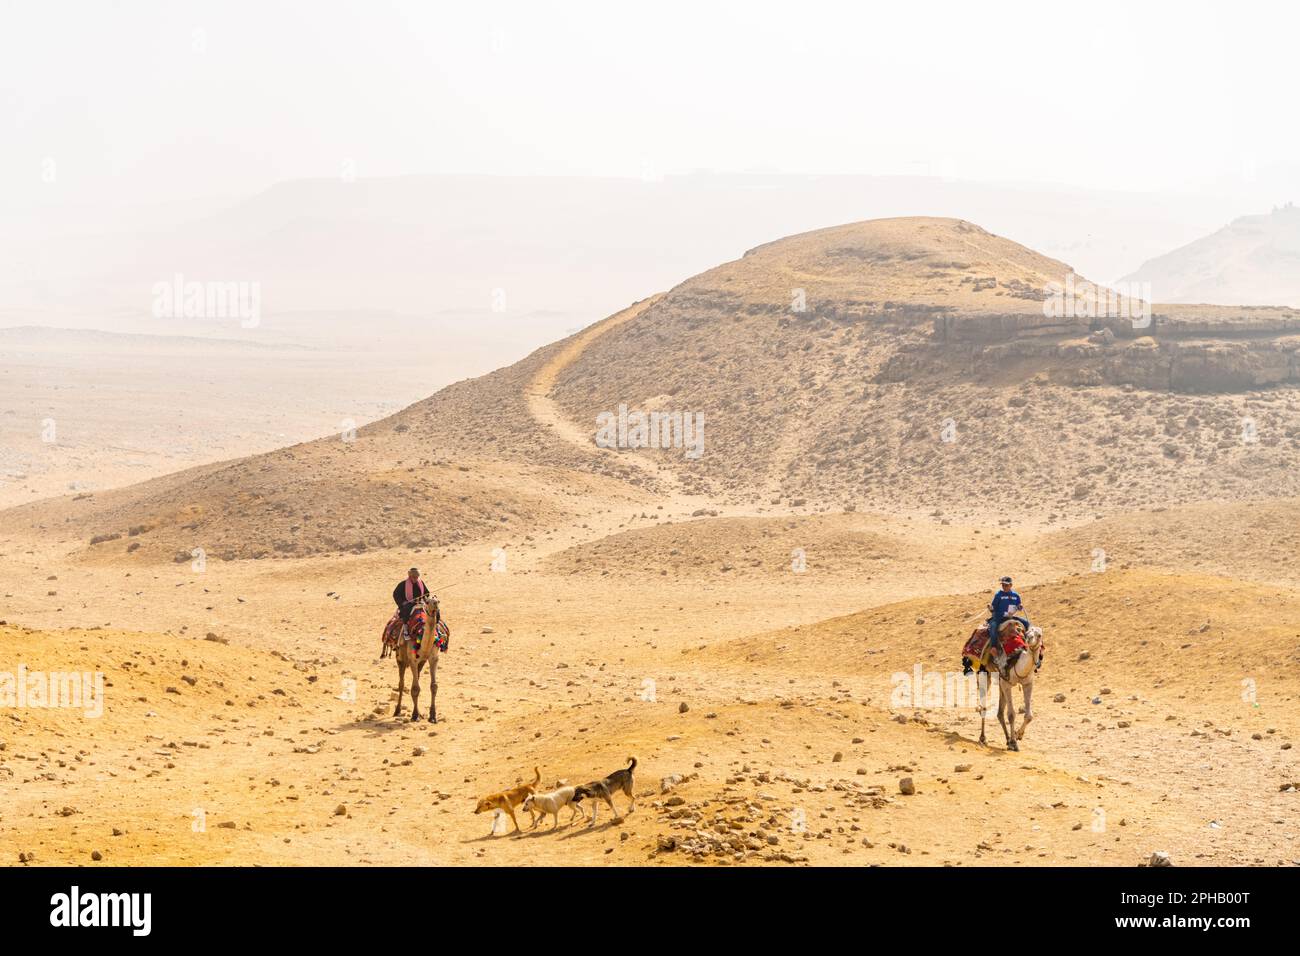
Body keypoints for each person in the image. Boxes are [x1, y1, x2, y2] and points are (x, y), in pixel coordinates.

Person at [987, 576, 1026, 672]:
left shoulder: (1016, 596)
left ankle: (1031, 646)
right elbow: (993, 608)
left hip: (1011, 617)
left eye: (1006, 585)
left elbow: (1018, 607)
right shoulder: (998, 595)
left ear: (1011, 585)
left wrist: (1020, 607)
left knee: (1026, 623)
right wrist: (991, 608)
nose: (1004, 587)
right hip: (999, 618)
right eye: (1003, 585)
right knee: (993, 626)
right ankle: (993, 647)